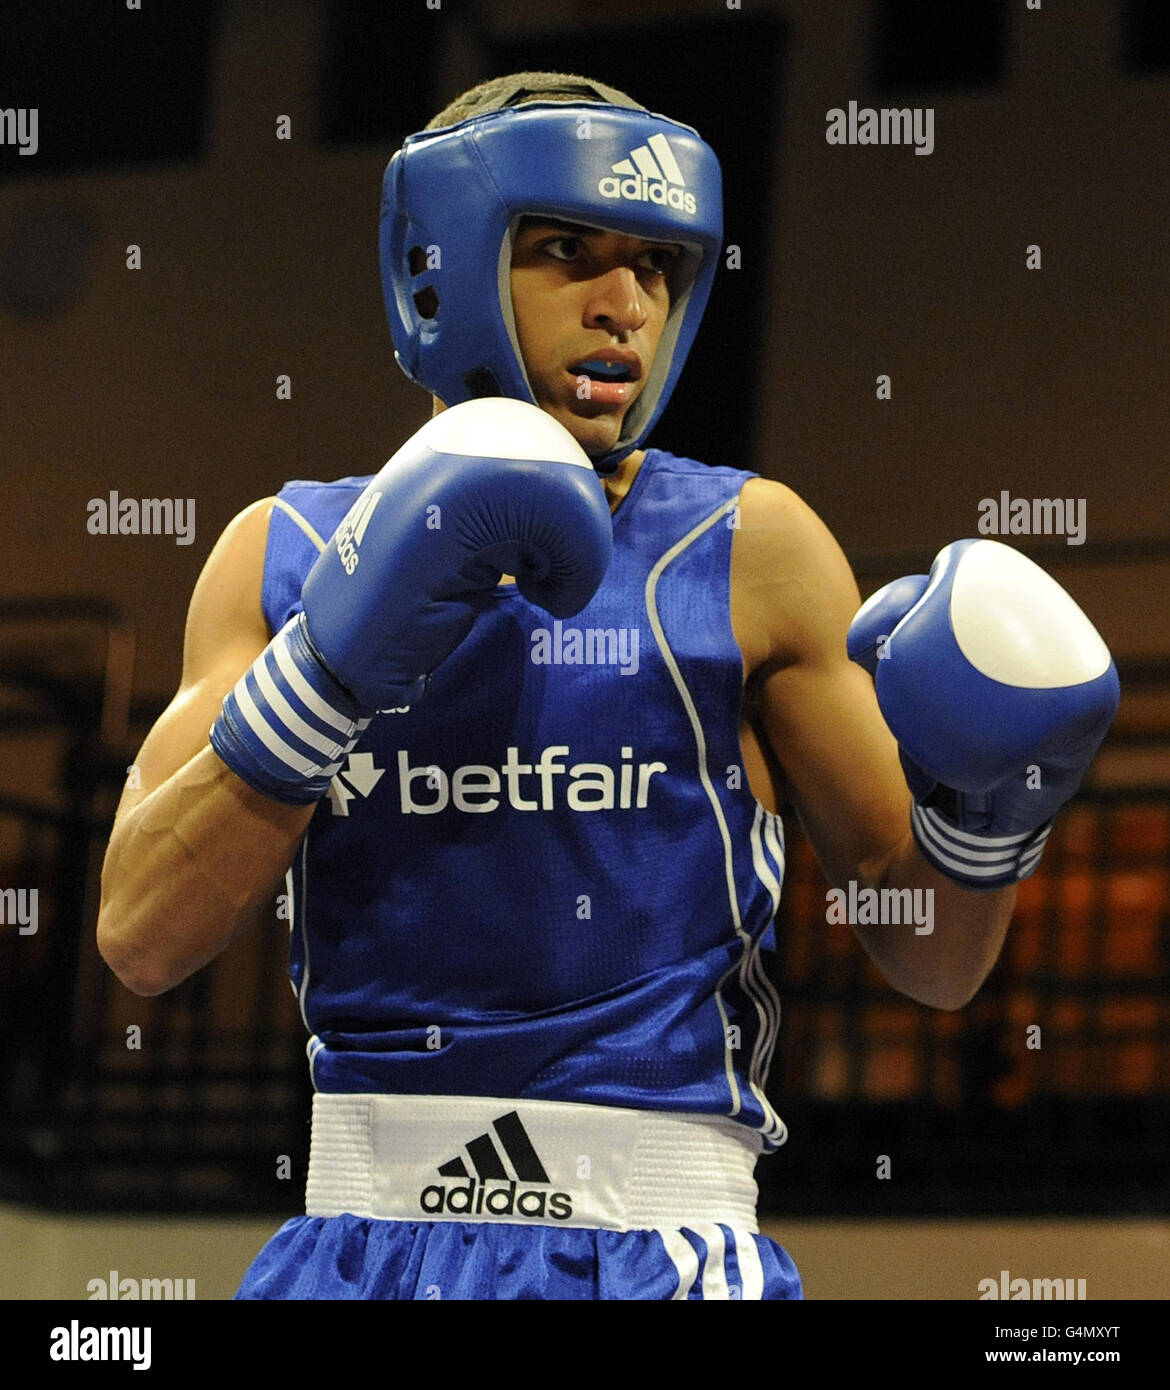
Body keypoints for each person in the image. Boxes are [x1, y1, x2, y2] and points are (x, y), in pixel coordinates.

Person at [96, 71, 1119, 1300]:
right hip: (356, 1243)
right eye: (569, 250)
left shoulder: (752, 548)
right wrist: (328, 668)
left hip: (657, 1249)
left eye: (658, 266)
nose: (624, 304)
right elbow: (139, 938)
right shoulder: (287, 555)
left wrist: (991, 816)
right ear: (443, 262)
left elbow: (937, 960)